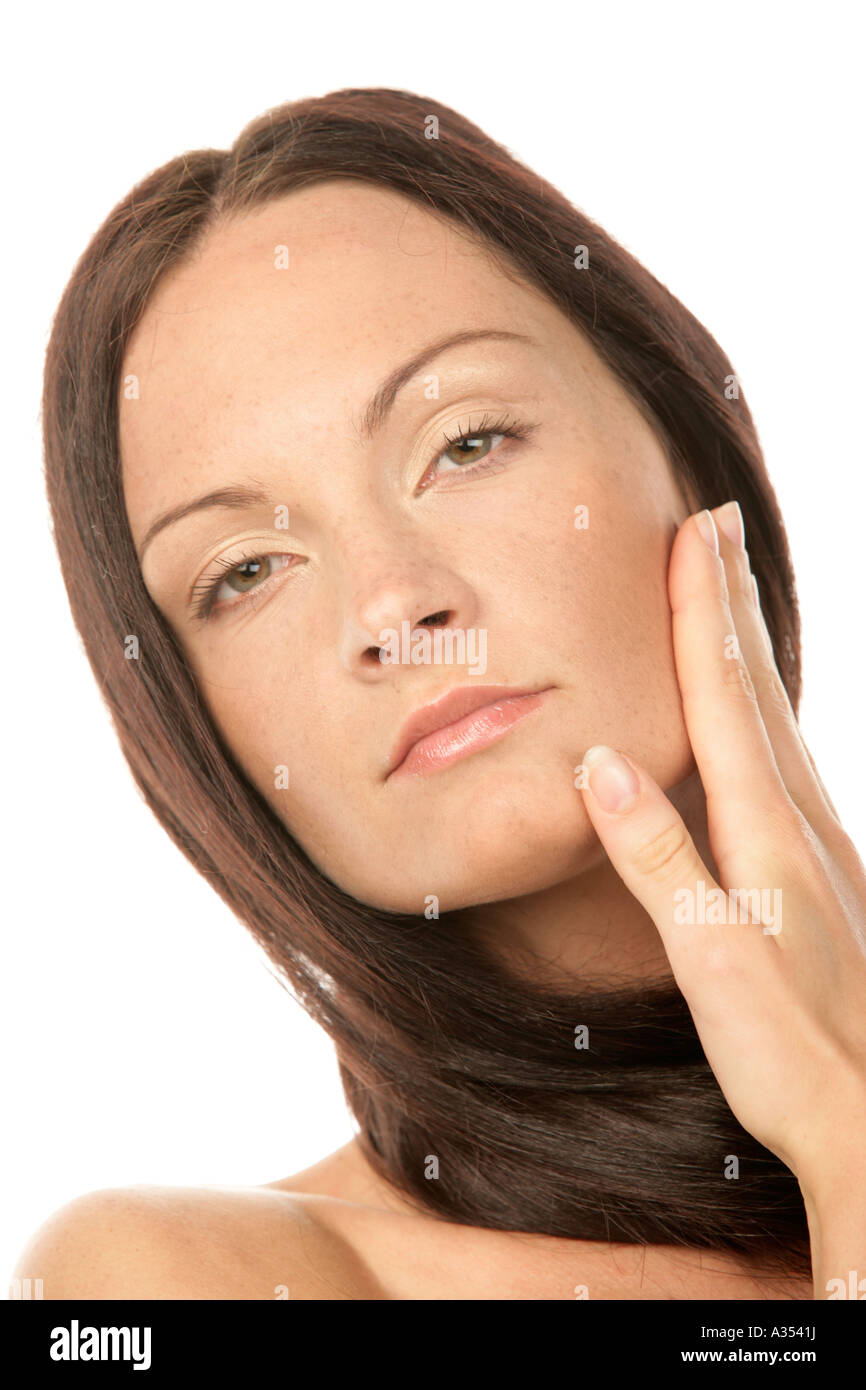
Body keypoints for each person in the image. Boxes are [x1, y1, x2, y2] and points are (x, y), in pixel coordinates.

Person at [13, 88, 866, 1300]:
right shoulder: (162, 1280)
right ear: (192, 725)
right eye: (245, 571)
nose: (391, 607)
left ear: (687, 449)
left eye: (463, 443)